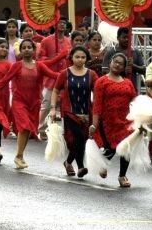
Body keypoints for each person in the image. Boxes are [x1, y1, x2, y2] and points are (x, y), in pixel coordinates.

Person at [0, 39, 64, 170]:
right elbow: (3, 81)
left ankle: (20, 155)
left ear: (34, 50)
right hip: (19, 102)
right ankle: (18, 156)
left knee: (29, 129)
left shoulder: (40, 66)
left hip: (34, 103)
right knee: (24, 126)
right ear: (20, 50)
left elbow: (55, 75)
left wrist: (70, 74)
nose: (26, 49)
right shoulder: (17, 66)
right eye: (23, 47)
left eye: (29, 47)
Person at [49, 46, 99, 177]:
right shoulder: (64, 73)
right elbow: (55, 90)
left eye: (83, 57)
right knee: (79, 137)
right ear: (71, 58)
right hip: (69, 111)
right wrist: (53, 108)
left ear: (87, 59)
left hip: (86, 111)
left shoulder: (92, 74)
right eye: (77, 57)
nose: (80, 60)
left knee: (80, 140)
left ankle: (68, 162)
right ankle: (81, 167)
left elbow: (98, 92)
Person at [91, 53, 139, 188]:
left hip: (125, 121)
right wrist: (94, 124)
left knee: (126, 147)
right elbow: (97, 105)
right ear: (110, 62)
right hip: (107, 122)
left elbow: (134, 101)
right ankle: (103, 164)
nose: (117, 65)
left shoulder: (128, 83)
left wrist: (139, 119)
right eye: (115, 62)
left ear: (124, 67)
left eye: (121, 63)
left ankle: (122, 175)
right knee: (111, 148)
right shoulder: (101, 81)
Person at [37, 19, 71, 139]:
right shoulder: (46, 41)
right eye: (59, 22)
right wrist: (53, 57)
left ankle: (64, 130)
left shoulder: (69, 41)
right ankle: (40, 129)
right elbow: (40, 59)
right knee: (46, 105)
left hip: (65, 76)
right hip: (50, 77)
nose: (62, 24)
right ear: (54, 25)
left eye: (64, 23)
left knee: (64, 105)